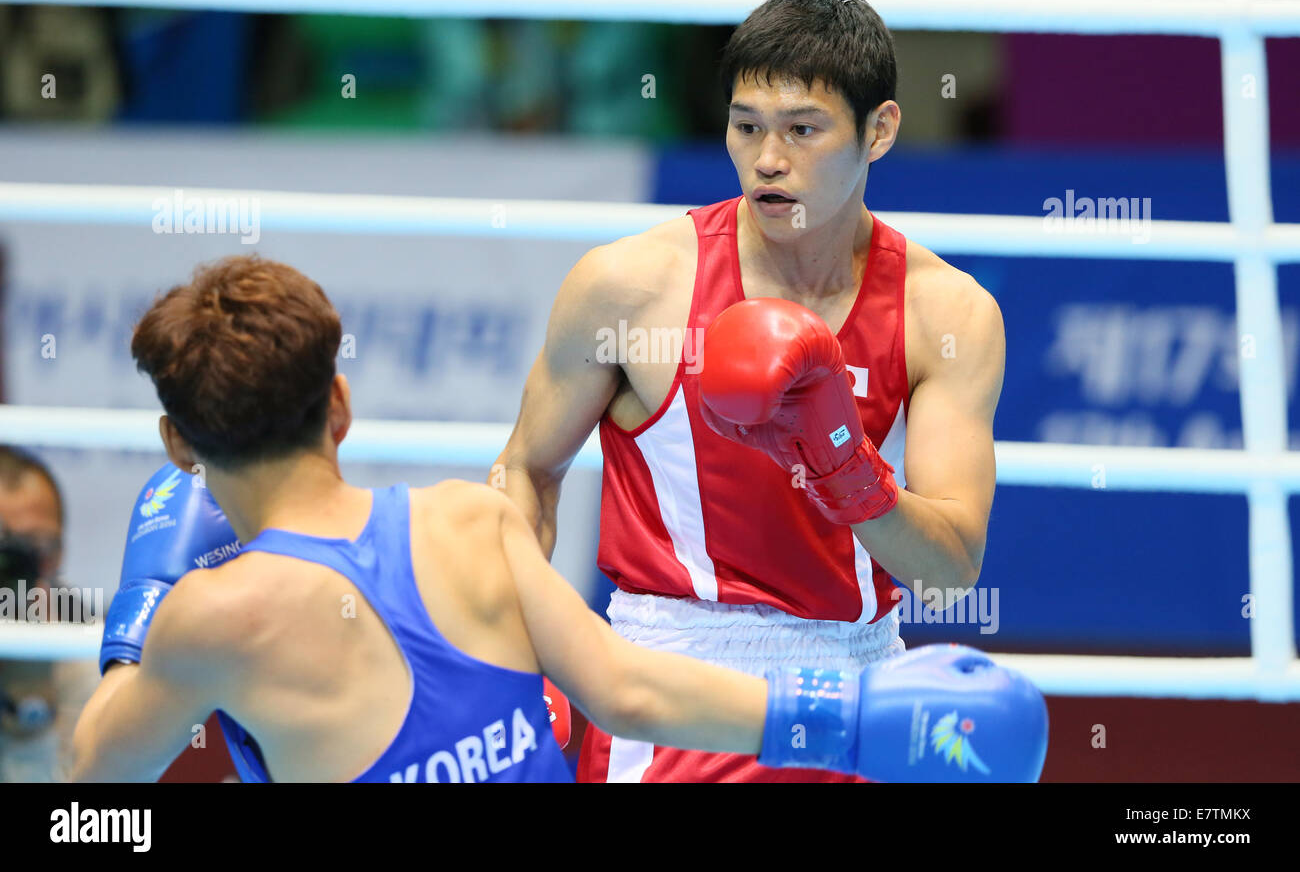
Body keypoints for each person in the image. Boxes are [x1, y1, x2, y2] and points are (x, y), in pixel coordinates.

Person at [70, 255, 1044, 782]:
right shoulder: (470, 522)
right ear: (340, 406)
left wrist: (142, 607)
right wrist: (855, 720)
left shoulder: (210, 617)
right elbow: (630, 692)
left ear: (177, 443)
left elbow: (93, 785)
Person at [493, 0, 1007, 782]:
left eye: (804, 129)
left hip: (857, 683)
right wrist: (511, 655)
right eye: (747, 127)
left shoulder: (947, 313)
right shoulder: (631, 285)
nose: (769, 160)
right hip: (668, 685)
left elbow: (949, 568)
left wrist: (845, 468)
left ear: (880, 131)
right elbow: (525, 470)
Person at [0, 446, 99, 782]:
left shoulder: (92, 653)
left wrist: (32, 709)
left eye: (39, 546)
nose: (19, 567)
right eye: (4, 548)